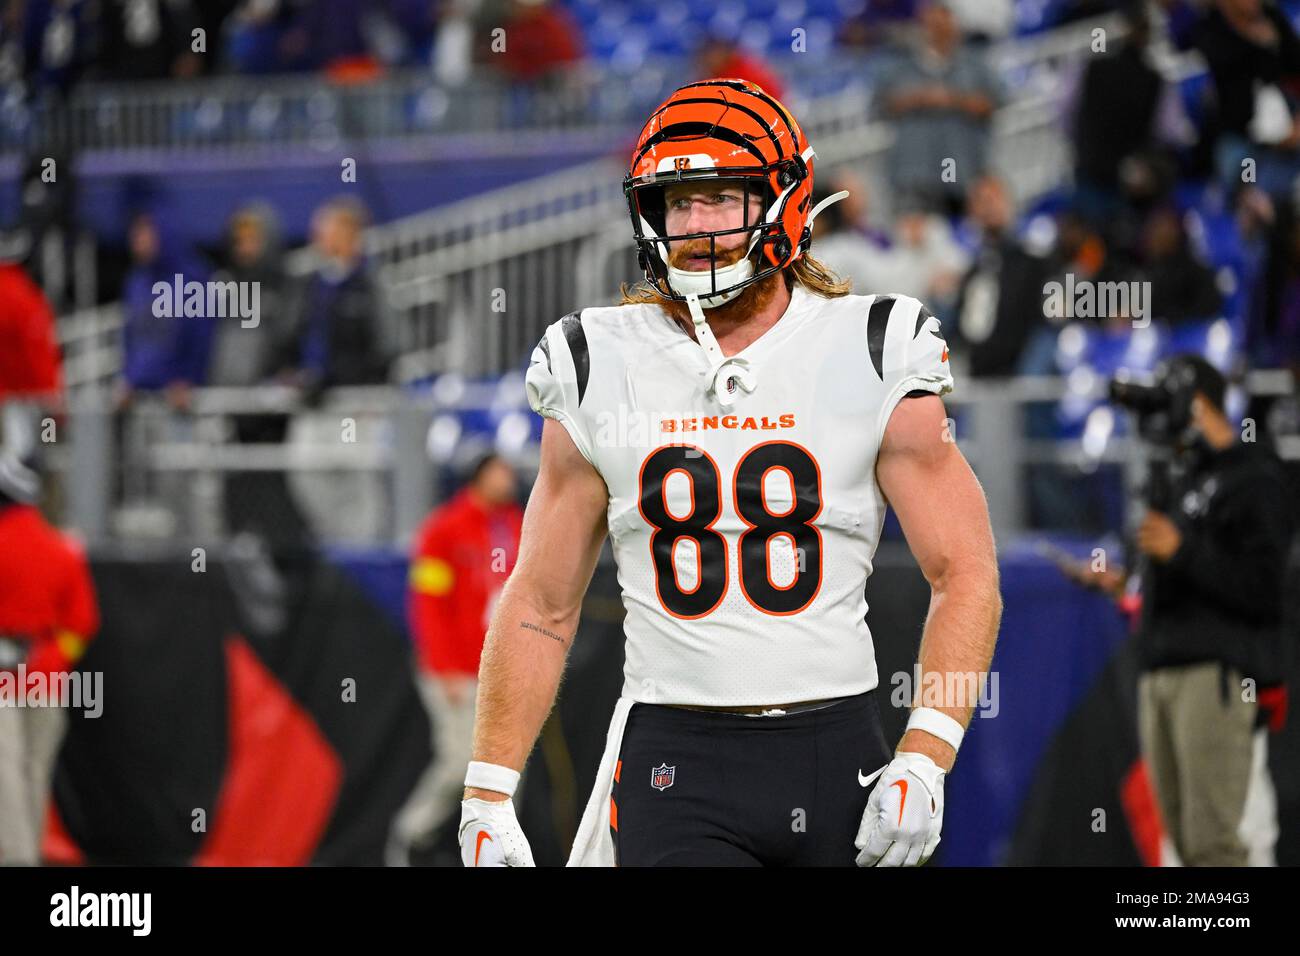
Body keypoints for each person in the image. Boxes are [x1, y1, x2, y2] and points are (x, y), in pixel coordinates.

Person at [457, 79, 1002, 867]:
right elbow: (542, 599)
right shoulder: (598, 360)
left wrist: (929, 746)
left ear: (783, 200)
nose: (695, 225)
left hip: (835, 749)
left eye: (719, 198)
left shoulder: (874, 344)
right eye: (677, 203)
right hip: (675, 759)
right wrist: (485, 788)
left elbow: (968, 572)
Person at [1066, 356, 1294, 865]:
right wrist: (1126, 583)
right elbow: (1172, 575)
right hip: (1161, 671)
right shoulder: (1185, 476)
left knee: (1215, 847)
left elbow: (1263, 590)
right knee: (1180, 846)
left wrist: (1183, 551)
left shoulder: (1255, 477)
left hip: (1214, 675)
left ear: (1200, 404)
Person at [391, 452, 523, 863]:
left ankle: (489, 851)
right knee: (458, 762)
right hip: (459, 669)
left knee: (507, 771)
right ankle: (412, 834)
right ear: (477, 476)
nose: (509, 477)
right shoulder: (444, 529)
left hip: (504, 670)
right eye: (499, 470)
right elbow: (427, 603)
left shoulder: (518, 524)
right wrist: (443, 665)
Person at [0, 454, 99, 865]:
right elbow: (82, 623)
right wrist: (52, 662)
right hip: (46, 676)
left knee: (5, 773)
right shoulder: (63, 550)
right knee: (35, 768)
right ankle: (30, 852)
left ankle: (17, 857)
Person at [874, 0, 1002, 216]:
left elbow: (992, 103)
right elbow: (881, 104)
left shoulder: (974, 64)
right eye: (932, 24)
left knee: (966, 236)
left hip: (963, 169)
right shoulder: (901, 65)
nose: (937, 29)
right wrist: (919, 98)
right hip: (915, 173)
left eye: (943, 23)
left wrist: (953, 99)